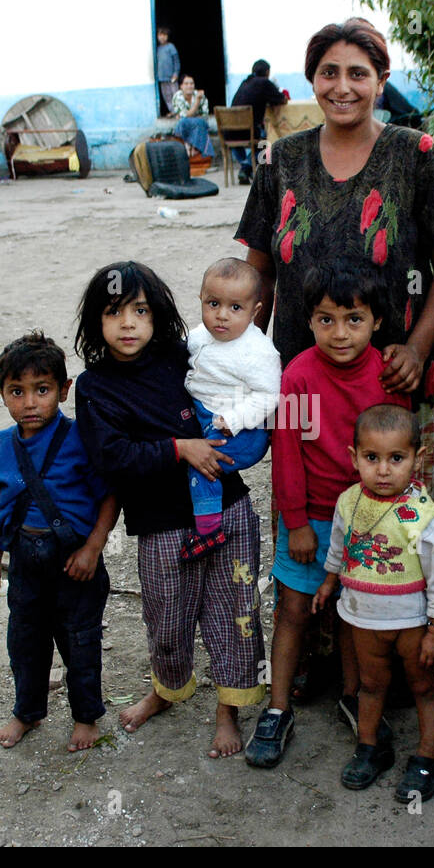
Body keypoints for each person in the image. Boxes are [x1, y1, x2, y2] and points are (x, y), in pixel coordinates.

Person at [236, 17, 434, 515]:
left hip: (395, 377)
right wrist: (246, 360)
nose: (343, 87)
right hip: (301, 372)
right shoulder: (279, 161)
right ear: (312, 79)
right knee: (307, 530)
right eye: (328, 72)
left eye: (359, 74)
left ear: (382, 82)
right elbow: (259, 273)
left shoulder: (418, 155)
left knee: (399, 539)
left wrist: (417, 347)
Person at [74, 261, 267, 759]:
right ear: (96, 321)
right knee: (166, 619)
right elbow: (111, 457)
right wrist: (179, 449)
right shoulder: (94, 387)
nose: (129, 323)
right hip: (160, 524)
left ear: (158, 315)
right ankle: (166, 690)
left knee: (234, 611)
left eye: (140, 310)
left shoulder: (185, 359)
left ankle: (228, 709)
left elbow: (248, 378)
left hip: (227, 508)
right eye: (114, 312)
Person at [244, 264, 410, 769]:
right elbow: (288, 454)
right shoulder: (297, 377)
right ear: (309, 321)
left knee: (352, 616)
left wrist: (396, 521)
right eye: (326, 319)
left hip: (370, 522)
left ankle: (355, 697)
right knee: (293, 610)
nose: (340, 333)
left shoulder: (388, 375)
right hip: (311, 520)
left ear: (377, 321)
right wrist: (294, 523)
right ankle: (276, 708)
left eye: (354, 319)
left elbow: (400, 450)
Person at [0, 332, 119, 752]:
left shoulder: (79, 440)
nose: (30, 403)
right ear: (1, 394)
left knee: (79, 642)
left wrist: (93, 548)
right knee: (25, 641)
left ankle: (86, 716)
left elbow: (110, 495)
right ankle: (27, 711)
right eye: (16, 391)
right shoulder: (1, 447)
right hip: (25, 561)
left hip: (75, 560)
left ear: (64, 389)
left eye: (42, 390)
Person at [315, 405, 434, 802]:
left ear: (417, 457)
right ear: (354, 456)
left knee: (424, 686)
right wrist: (329, 581)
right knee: (370, 684)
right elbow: (340, 546)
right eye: (371, 458)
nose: (383, 470)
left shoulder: (424, 516)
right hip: (363, 618)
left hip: (413, 621)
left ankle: (428, 756)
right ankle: (369, 747)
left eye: (396, 459)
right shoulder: (349, 502)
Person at [181, 257, 281, 559]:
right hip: (207, 411)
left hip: (243, 430)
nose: (222, 316)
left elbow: (268, 396)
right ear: (201, 299)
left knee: (202, 463)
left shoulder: (257, 351)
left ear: (255, 311)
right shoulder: (199, 337)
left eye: (235, 308)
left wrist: (234, 419)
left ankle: (209, 529)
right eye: (213, 304)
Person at [230, 59, 287, 183]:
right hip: (249, 131)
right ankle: (246, 167)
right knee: (266, 142)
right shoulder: (264, 83)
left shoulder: (244, 83)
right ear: (267, 72)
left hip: (230, 132)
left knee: (258, 137)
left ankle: (246, 168)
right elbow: (281, 99)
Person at [170, 74, 215, 159]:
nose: (189, 86)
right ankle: (191, 145)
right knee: (184, 122)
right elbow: (186, 115)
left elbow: (205, 115)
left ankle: (194, 148)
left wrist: (190, 115)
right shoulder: (178, 96)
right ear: (181, 86)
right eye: (186, 84)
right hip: (184, 125)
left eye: (191, 83)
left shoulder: (199, 95)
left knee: (200, 122)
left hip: (198, 123)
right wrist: (197, 101)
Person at [155, 27, 180, 116]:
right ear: (157, 36)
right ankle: (173, 111)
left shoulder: (171, 47)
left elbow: (176, 61)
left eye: (164, 35)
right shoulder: (157, 49)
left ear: (168, 36)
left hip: (172, 77)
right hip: (162, 77)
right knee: (167, 96)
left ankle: (179, 111)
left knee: (175, 95)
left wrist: (176, 73)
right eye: (160, 35)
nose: (162, 37)